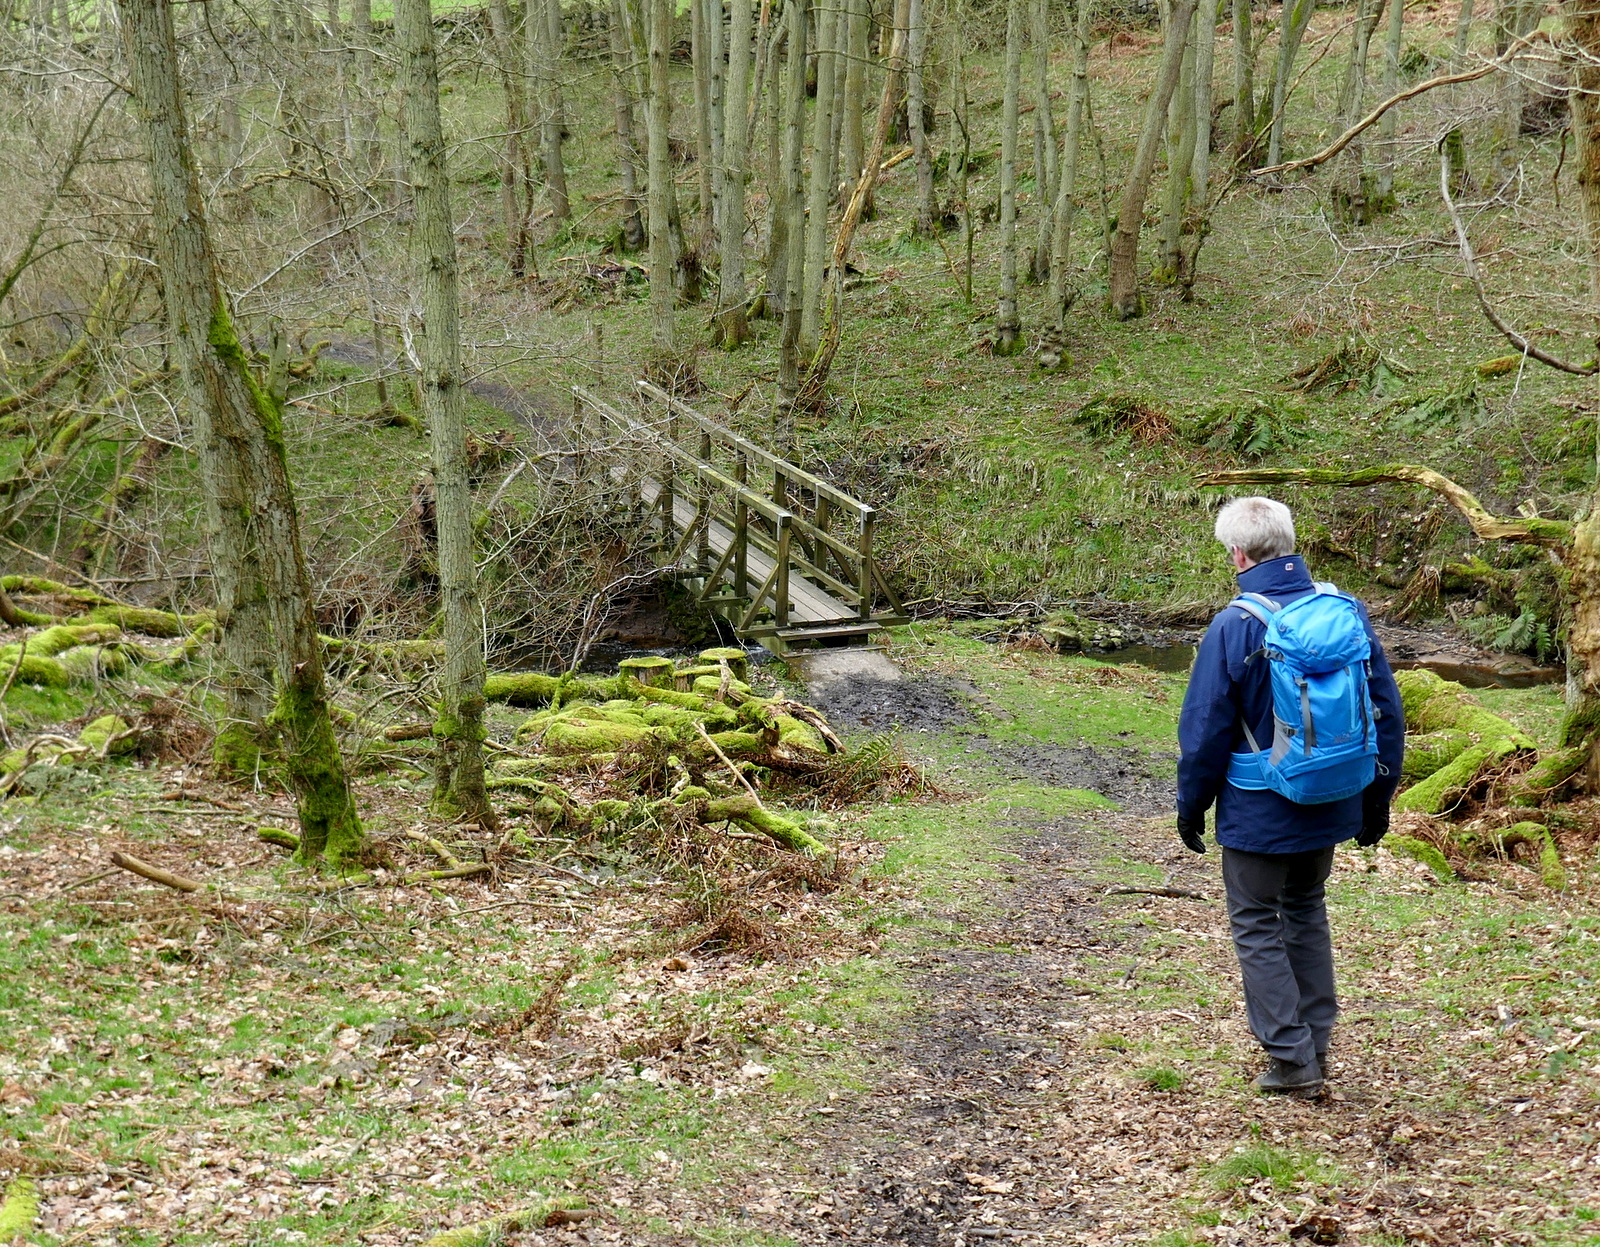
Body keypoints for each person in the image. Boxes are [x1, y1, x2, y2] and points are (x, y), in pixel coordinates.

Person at [1176, 497, 1404, 1095]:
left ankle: (1291, 1060)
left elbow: (1204, 729)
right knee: (1305, 910)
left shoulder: (1235, 624)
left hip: (1260, 802)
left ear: (1238, 553)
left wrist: (1190, 804)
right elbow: (1386, 713)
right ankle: (1316, 1045)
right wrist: (1376, 800)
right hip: (1334, 794)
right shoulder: (1346, 611)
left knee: (1256, 921)